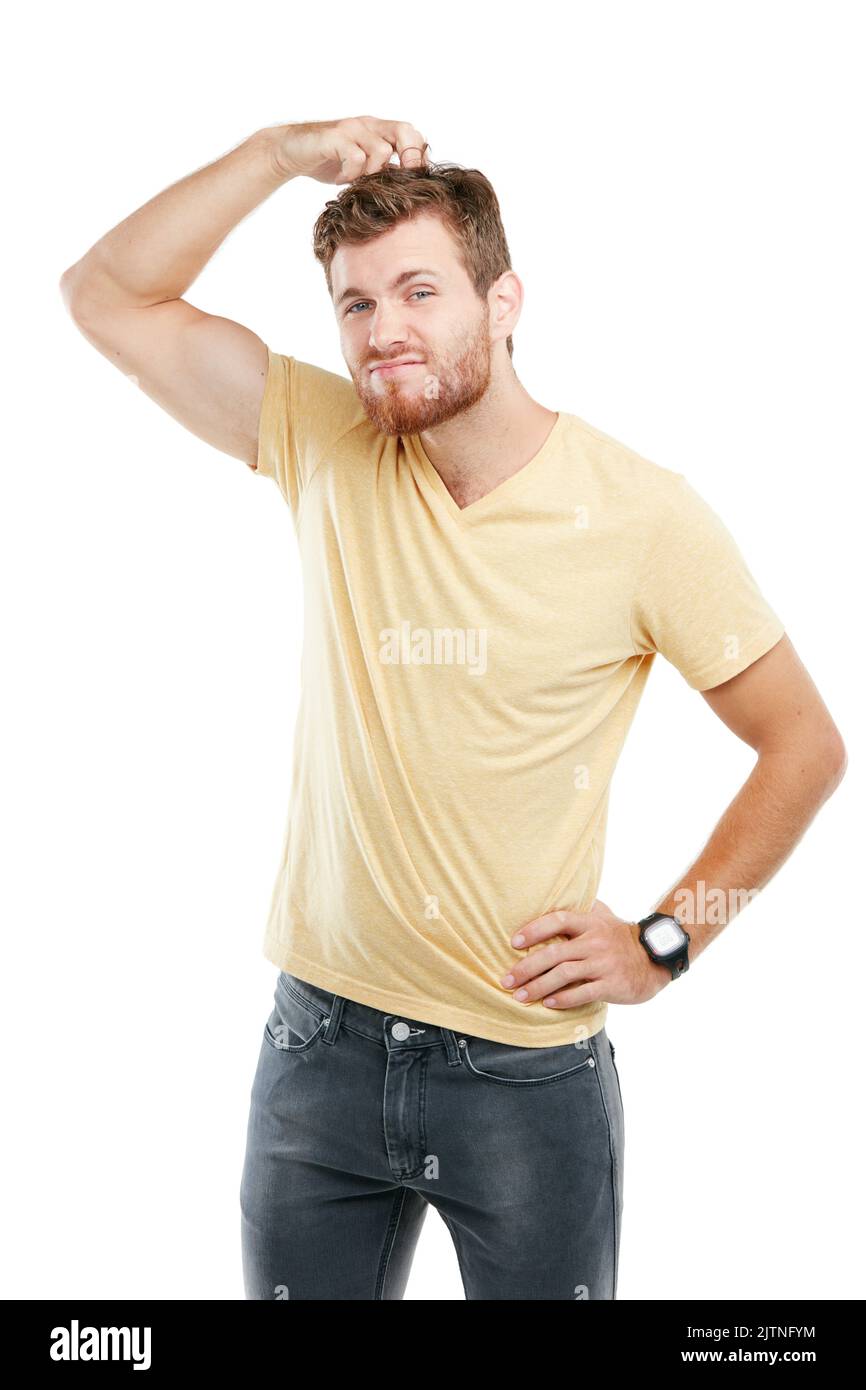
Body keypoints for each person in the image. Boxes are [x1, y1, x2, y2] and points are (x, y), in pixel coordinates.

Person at [60, 115, 847, 1301]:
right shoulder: (324, 440)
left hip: (521, 1075)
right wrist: (279, 154)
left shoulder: (641, 516)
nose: (384, 334)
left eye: (418, 291)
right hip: (313, 1050)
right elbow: (105, 293)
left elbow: (803, 744)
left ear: (503, 300)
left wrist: (664, 944)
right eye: (355, 304)